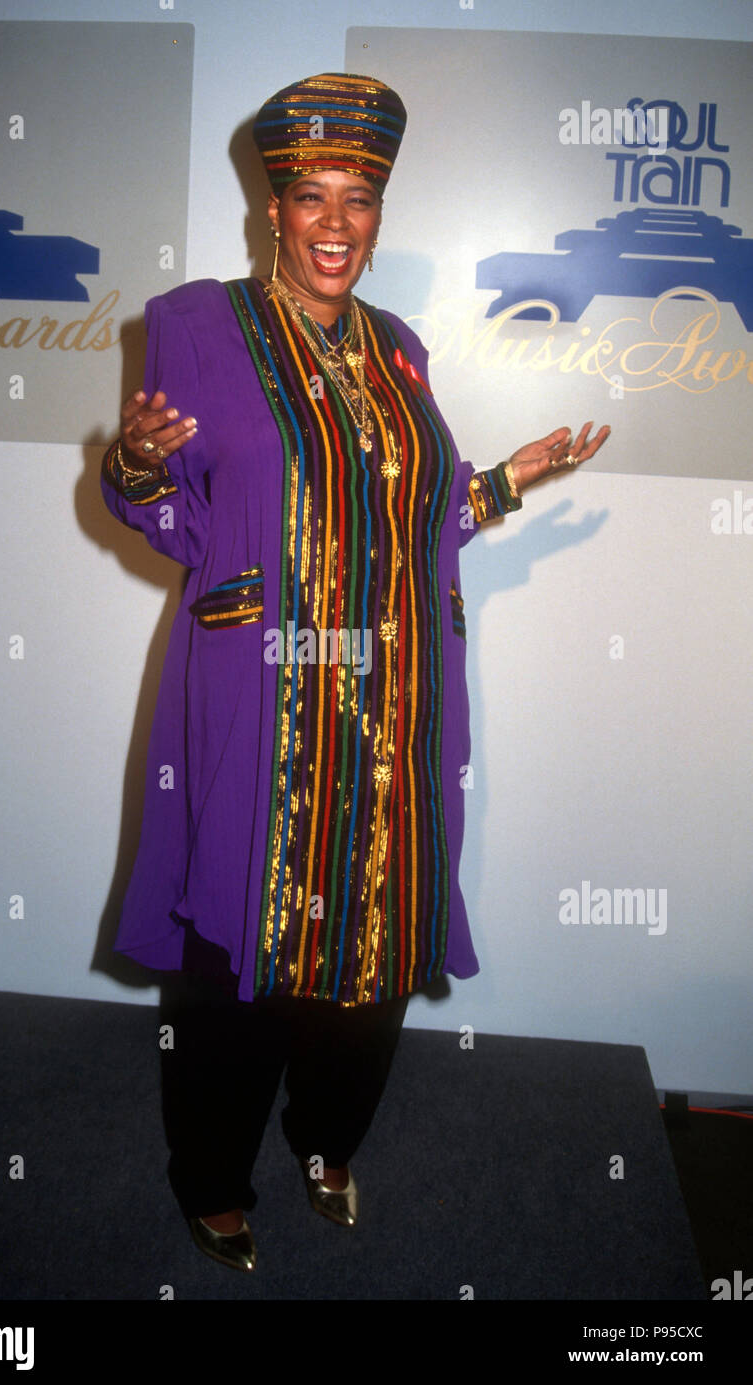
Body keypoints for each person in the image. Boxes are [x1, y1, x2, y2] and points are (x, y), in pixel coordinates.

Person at [100, 72, 610, 1274]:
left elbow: (411, 521)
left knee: (374, 955)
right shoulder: (193, 325)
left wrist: (502, 480)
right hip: (262, 701)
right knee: (242, 960)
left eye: (360, 200)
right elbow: (166, 513)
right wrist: (129, 465)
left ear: (380, 215)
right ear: (271, 209)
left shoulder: (403, 349)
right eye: (310, 196)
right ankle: (213, 1175)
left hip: (399, 706)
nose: (336, 223)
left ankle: (328, 1138)